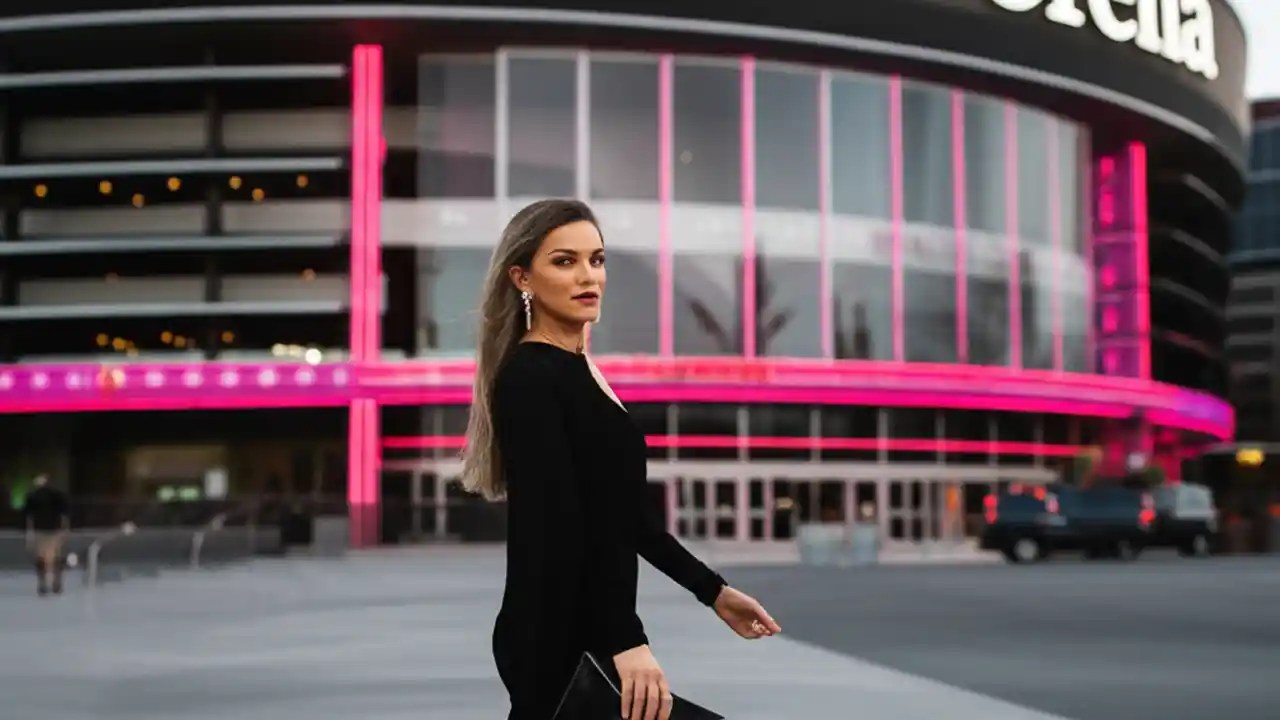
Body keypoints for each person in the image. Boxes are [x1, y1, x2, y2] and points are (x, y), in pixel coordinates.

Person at [461, 199, 782, 720]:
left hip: (584, 629)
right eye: (565, 261)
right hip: (558, 639)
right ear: (522, 277)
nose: (589, 276)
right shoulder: (530, 378)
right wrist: (623, 639)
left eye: (597, 259)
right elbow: (557, 529)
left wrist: (714, 591)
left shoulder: (582, 370)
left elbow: (626, 517)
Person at [21, 473, 69, 596]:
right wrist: (64, 529)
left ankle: (44, 584)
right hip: (52, 529)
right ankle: (55, 583)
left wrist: (29, 530)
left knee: (43, 557)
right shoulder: (56, 495)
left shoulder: (33, 496)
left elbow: (28, 515)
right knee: (55, 557)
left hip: (42, 529)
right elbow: (64, 514)